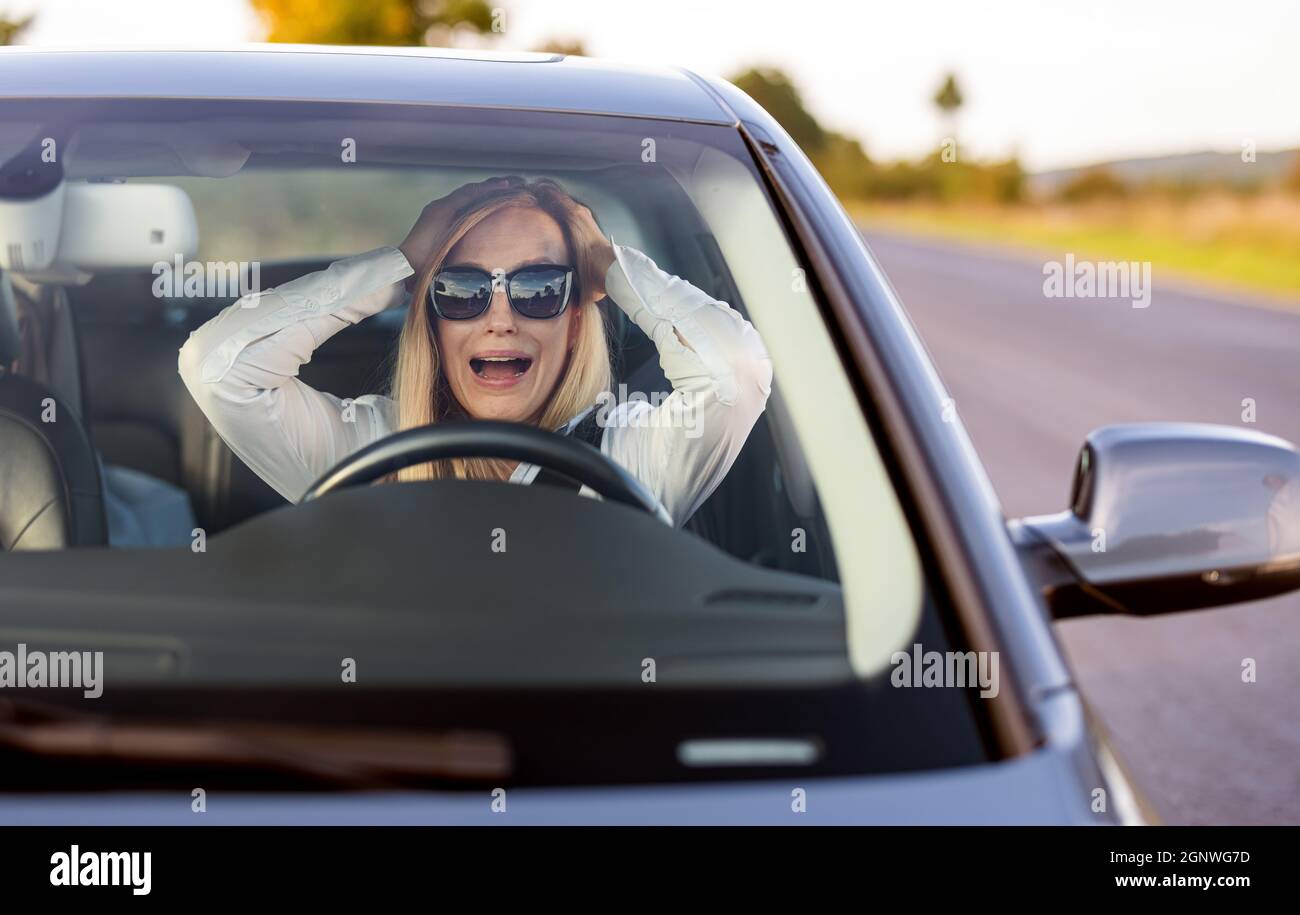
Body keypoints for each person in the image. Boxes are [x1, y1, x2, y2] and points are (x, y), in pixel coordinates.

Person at [178, 175, 771, 527]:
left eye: (539, 288)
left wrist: (608, 265)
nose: (499, 319)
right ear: (432, 322)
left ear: (574, 319)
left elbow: (737, 373)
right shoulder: (372, 448)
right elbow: (220, 370)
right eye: (461, 291)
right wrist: (402, 266)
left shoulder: (632, 451)